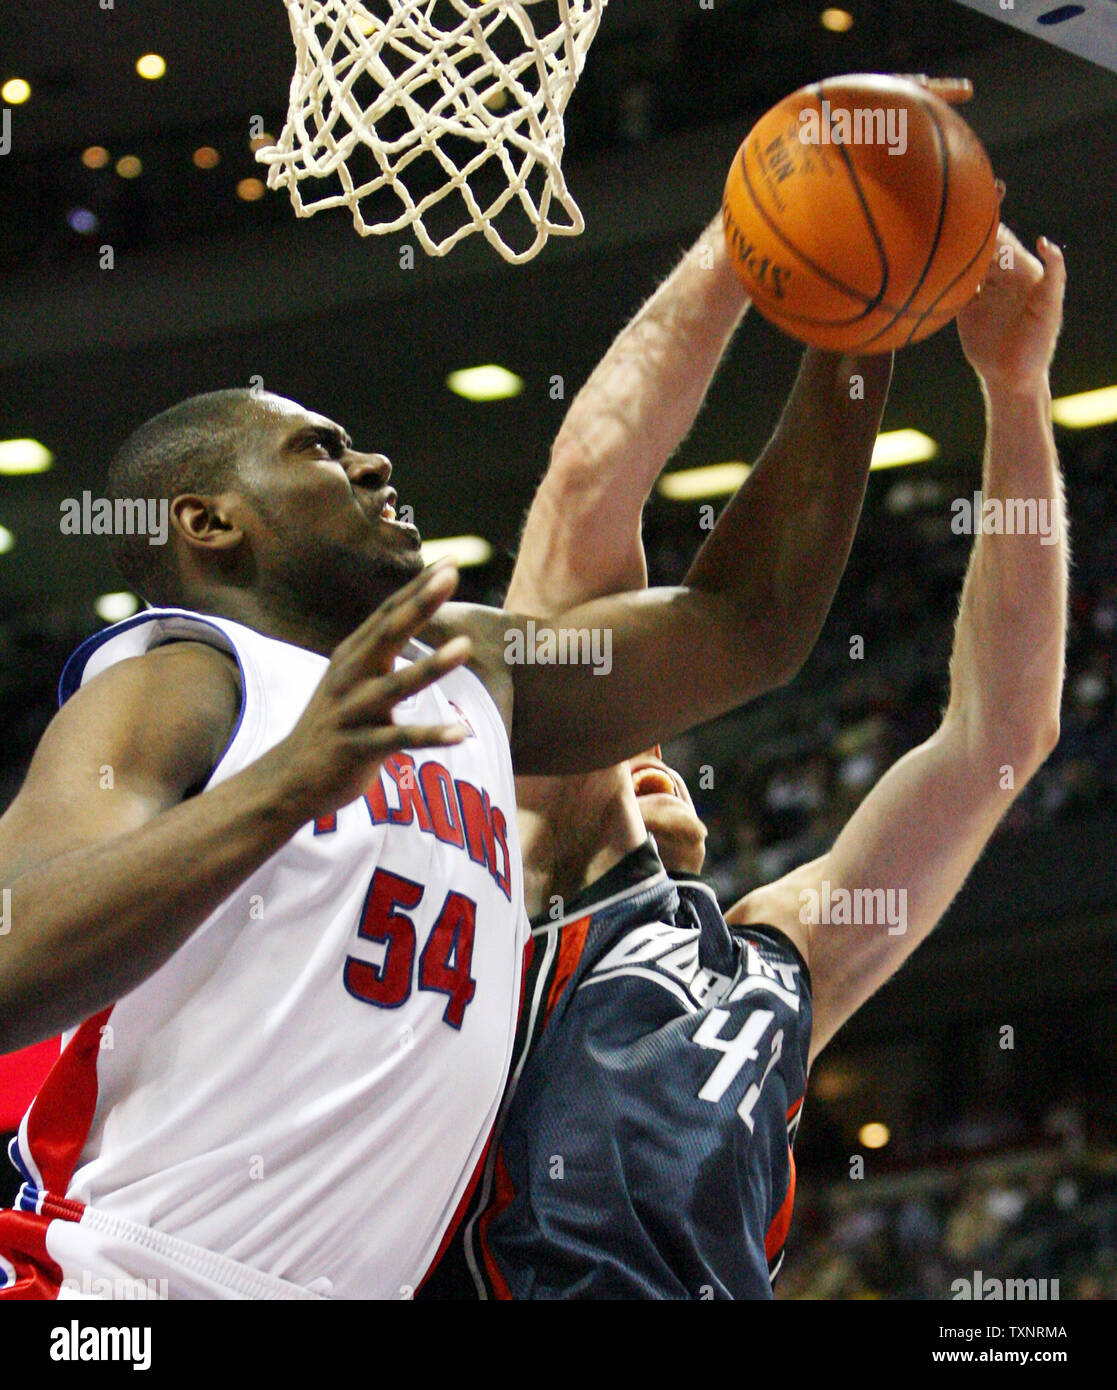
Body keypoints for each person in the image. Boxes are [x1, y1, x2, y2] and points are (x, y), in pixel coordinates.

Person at [0, 214, 892, 1297]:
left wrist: (861, 331)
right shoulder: (184, 675)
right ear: (210, 521)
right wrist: (286, 783)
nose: (371, 460)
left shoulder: (467, 669)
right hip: (116, 1290)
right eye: (317, 449)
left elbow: (749, 623)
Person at [421, 220, 1068, 1299]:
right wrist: (753, 237)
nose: (655, 748)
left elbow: (1000, 739)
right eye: (629, 727)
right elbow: (588, 489)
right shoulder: (523, 881)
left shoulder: (771, 965)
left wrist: (1011, 388)